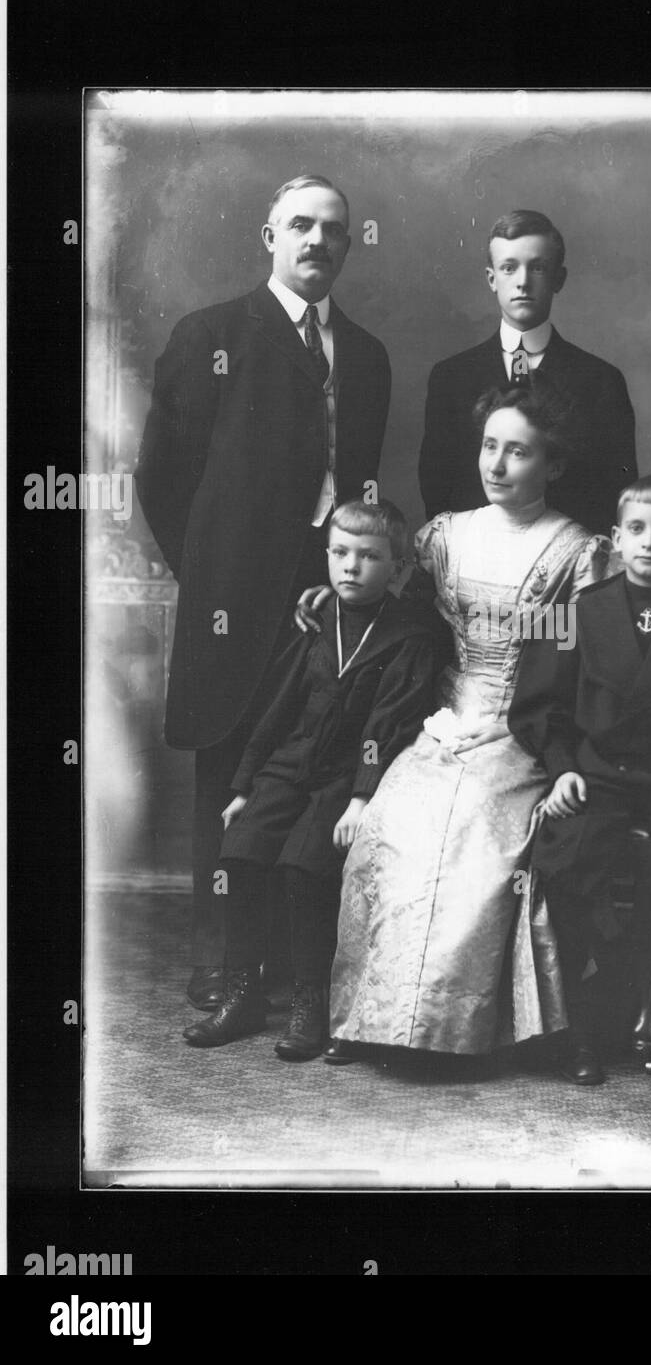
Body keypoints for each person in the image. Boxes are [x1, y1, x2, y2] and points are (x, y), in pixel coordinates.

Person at [135, 174, 391, 1011]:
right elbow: (164, 480)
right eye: (302, 227)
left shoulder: (366, 355)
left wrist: (330, 578)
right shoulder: (213, 335)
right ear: (269, 236)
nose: (318, 241)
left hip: (330, 603)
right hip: (233, 605)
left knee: (311, 768)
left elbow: (358, 490)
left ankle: (291, 965)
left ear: (348, 247)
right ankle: (224, 961)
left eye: (334, 231)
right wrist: (217, 572)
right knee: (229, 778)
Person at [324, 378, 609, 1063]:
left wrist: (518, 727)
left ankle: (462, 1032)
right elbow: (396, 621)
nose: (497, 465)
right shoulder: (444, 537)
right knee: (393, 820)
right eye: (489, 447)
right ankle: (374, 1019)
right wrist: (327, 601)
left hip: (527, 731)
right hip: (444, 719)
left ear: (554, 466)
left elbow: (582, 669)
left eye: (518, 452)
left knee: (478, 839)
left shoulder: (576, 551)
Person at [182, 500, 443, 1060]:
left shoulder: (408, 634)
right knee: (241, 853)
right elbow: (279, 709)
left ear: (397, 567)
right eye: (341, 553)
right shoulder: (317, 620)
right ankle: (242, 992)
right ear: (326, 556)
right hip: (290, 764)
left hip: (344, 778)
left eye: (370, 557)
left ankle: (311, 1002)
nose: (352, 567)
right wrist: (245, 785)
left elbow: (388, 723)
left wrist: (359, 798)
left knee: (304, 868)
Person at [510, 478, 651, 1085]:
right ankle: (585, 1030)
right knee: (569, 865)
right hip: (601, 781)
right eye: (637, 530)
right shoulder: (579, 615)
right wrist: (561, 771)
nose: (650, 543)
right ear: (616, 539)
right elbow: (541, 710)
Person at [418, 208, 637, 535]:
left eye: (537, 267)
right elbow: (437, 485)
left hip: (566, 562)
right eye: (509, 268)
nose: (522, 281)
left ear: (558, 279)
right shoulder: (451, 377)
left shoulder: (600, 381)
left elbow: (614, 491)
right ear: (492, 279)